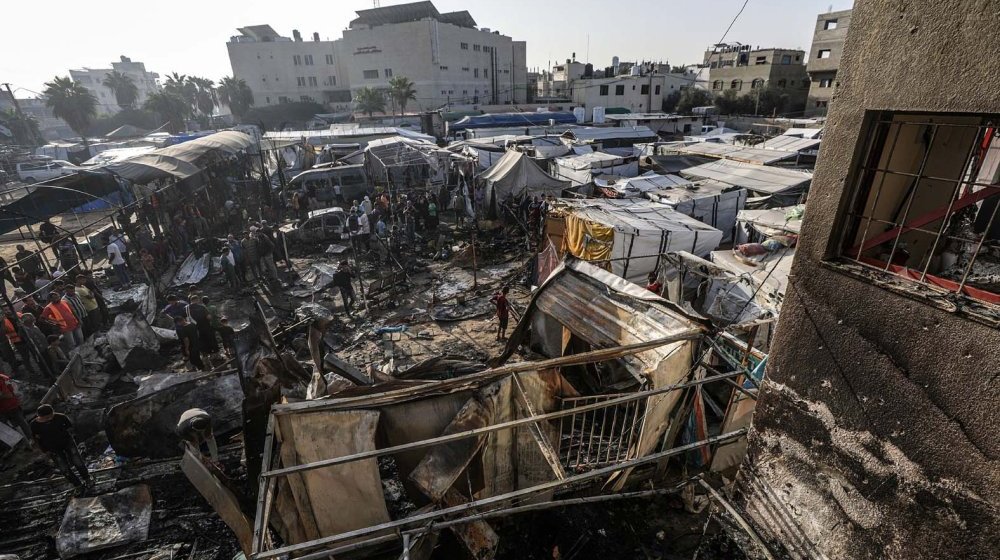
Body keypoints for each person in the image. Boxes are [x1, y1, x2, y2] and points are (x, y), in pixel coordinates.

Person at [31, 404, 92, 490]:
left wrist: (74, 440)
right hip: (52, 448)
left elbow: (70, 429)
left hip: (67, 442)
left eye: (50, 416)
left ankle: (87, 478)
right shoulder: (34, 425)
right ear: (39, 416)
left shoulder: (61, 417)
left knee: (78, 461)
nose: (49, 419)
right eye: (46, 418)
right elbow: (37, 439)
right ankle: (77, 485)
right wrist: (44, 450)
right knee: (63, 468)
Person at [0, 371, 32, 443]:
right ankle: (18, 442)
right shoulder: (3, 377)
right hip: (5, 407)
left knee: (21, 423)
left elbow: (8, 395)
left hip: (10, 406)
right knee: (6, 426)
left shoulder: (1, 379)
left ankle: (29, 439)